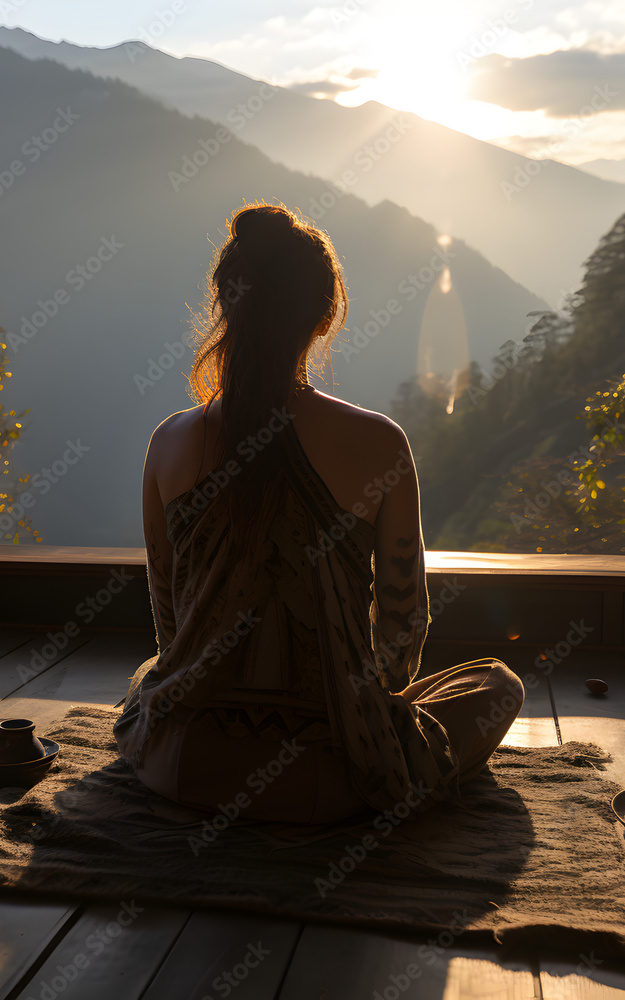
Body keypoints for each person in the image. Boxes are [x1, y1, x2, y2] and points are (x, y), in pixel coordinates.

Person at [113, 203, 524, 824]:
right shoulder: (380, 442)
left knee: (151, 674)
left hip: (178, 765)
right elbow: (404, 624)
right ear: (327, 314)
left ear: (226, 304)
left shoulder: (168, 441)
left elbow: (172, 628)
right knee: (498, 686)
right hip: (330, 776)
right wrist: (363, 702)